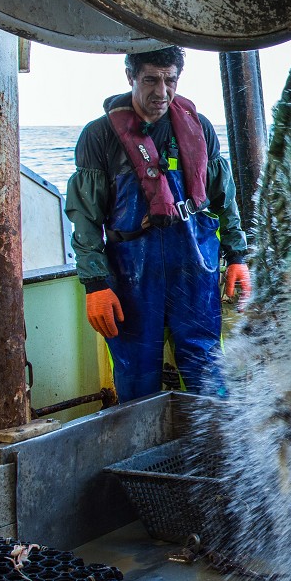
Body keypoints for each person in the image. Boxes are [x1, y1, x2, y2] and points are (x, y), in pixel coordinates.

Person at [65, 46, 252, 401]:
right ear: (130, 77)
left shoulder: (199, 128)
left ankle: (215, 451)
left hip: (195, 269)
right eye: (151, 79)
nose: (161, 92)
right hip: (133, 274)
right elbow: (86, 220)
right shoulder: (99, 135)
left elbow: (224, 199)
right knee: (137, 374)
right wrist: (94, 285)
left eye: (170, 80)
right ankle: (141, 454)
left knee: (207, 368)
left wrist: (238, 256)